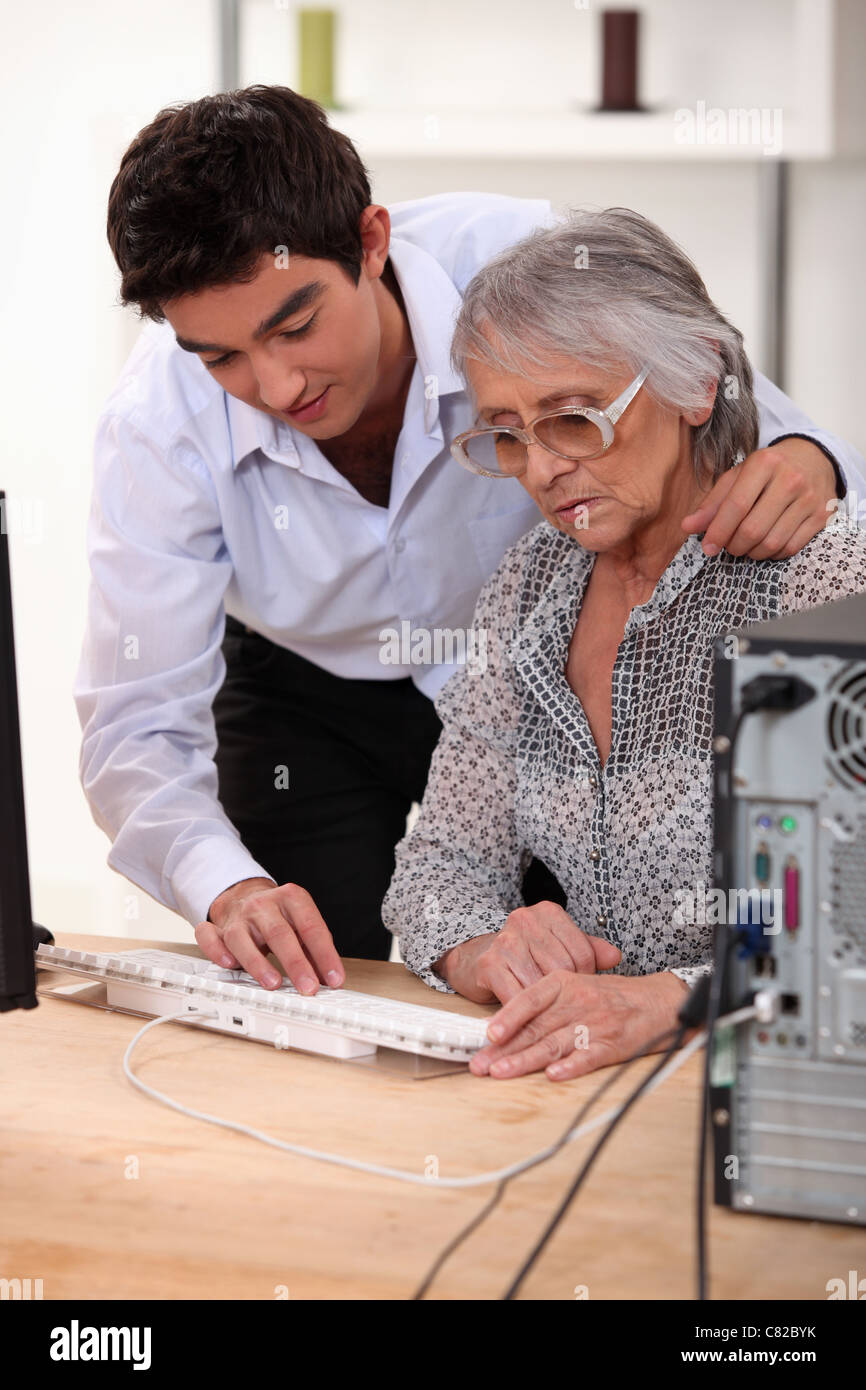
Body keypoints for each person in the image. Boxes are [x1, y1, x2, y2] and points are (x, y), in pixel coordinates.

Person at [76, 85, 864, 995]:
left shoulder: (526, 269)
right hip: (310, 687)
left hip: (529, 660)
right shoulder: (157, 420)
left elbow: (728, 401)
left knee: (568, 966)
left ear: (370, 242)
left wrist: (811, 455)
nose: (278, 384)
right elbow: (135, 720)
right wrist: (226, 888)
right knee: (310, 986)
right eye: (220, 356)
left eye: (295, 325)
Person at [381, 206, 866, 1080]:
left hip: (797, 1094)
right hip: (592, 1092)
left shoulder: (824, 586)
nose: (541, 469)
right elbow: (441, 863)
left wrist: (675, 1001)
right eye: (509, 433)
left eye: (575, 420)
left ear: (696, 383)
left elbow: (849, 931)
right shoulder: (531, 587)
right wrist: (488, 950)